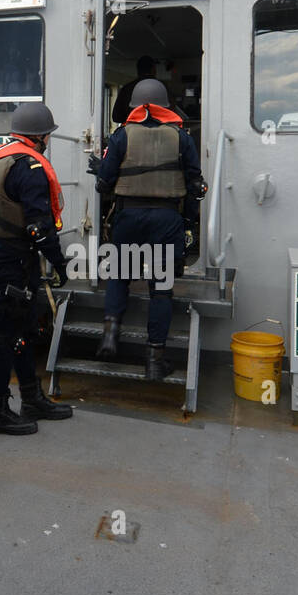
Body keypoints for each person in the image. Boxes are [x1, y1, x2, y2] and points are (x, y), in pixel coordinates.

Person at [95, 78, 204, 380]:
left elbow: (103, 182)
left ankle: (109, 337)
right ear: (165, 106)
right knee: (161, 290)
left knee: (119, 276)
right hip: (167, 220)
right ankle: (155, 360)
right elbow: (195, 185)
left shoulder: (121, 135)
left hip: (129, 217)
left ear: (135, 106)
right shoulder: (182, 137)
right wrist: (190, 222)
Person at [0, 102, 74, 433]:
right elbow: (39, 226)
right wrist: (60, 263)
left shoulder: (1, 157)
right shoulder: (29, 167)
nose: (48, 140)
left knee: (24, 331)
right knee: (8, 335)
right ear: (40, 136)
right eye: (47, 135)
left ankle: (31, 398)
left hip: (6, 253)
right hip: (15, 260)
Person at [111, 55, 158, 125]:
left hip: (131, 133)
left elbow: (116, 117)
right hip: (158, 133)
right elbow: (172, 114)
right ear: (153, 69)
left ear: (138, 70)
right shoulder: (163, 89)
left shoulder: (126, 89)